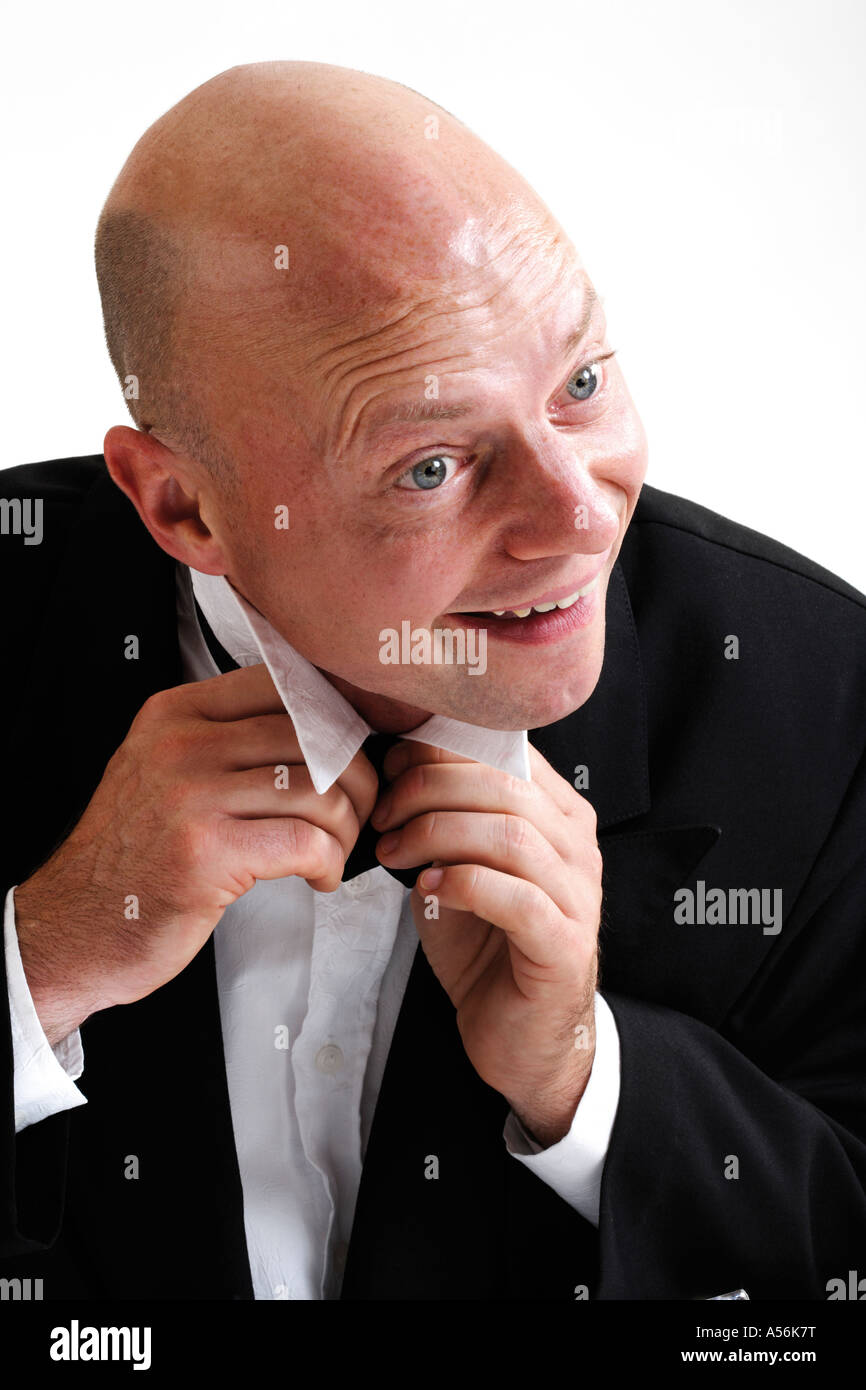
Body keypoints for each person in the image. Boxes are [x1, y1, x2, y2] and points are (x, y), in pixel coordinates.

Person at [1, 60, 864, 1302]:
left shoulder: (821, 699)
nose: (577, 515)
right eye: (431, 465)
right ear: (182, 505)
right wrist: (41, 960)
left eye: (577, 383)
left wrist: (585, 1078)